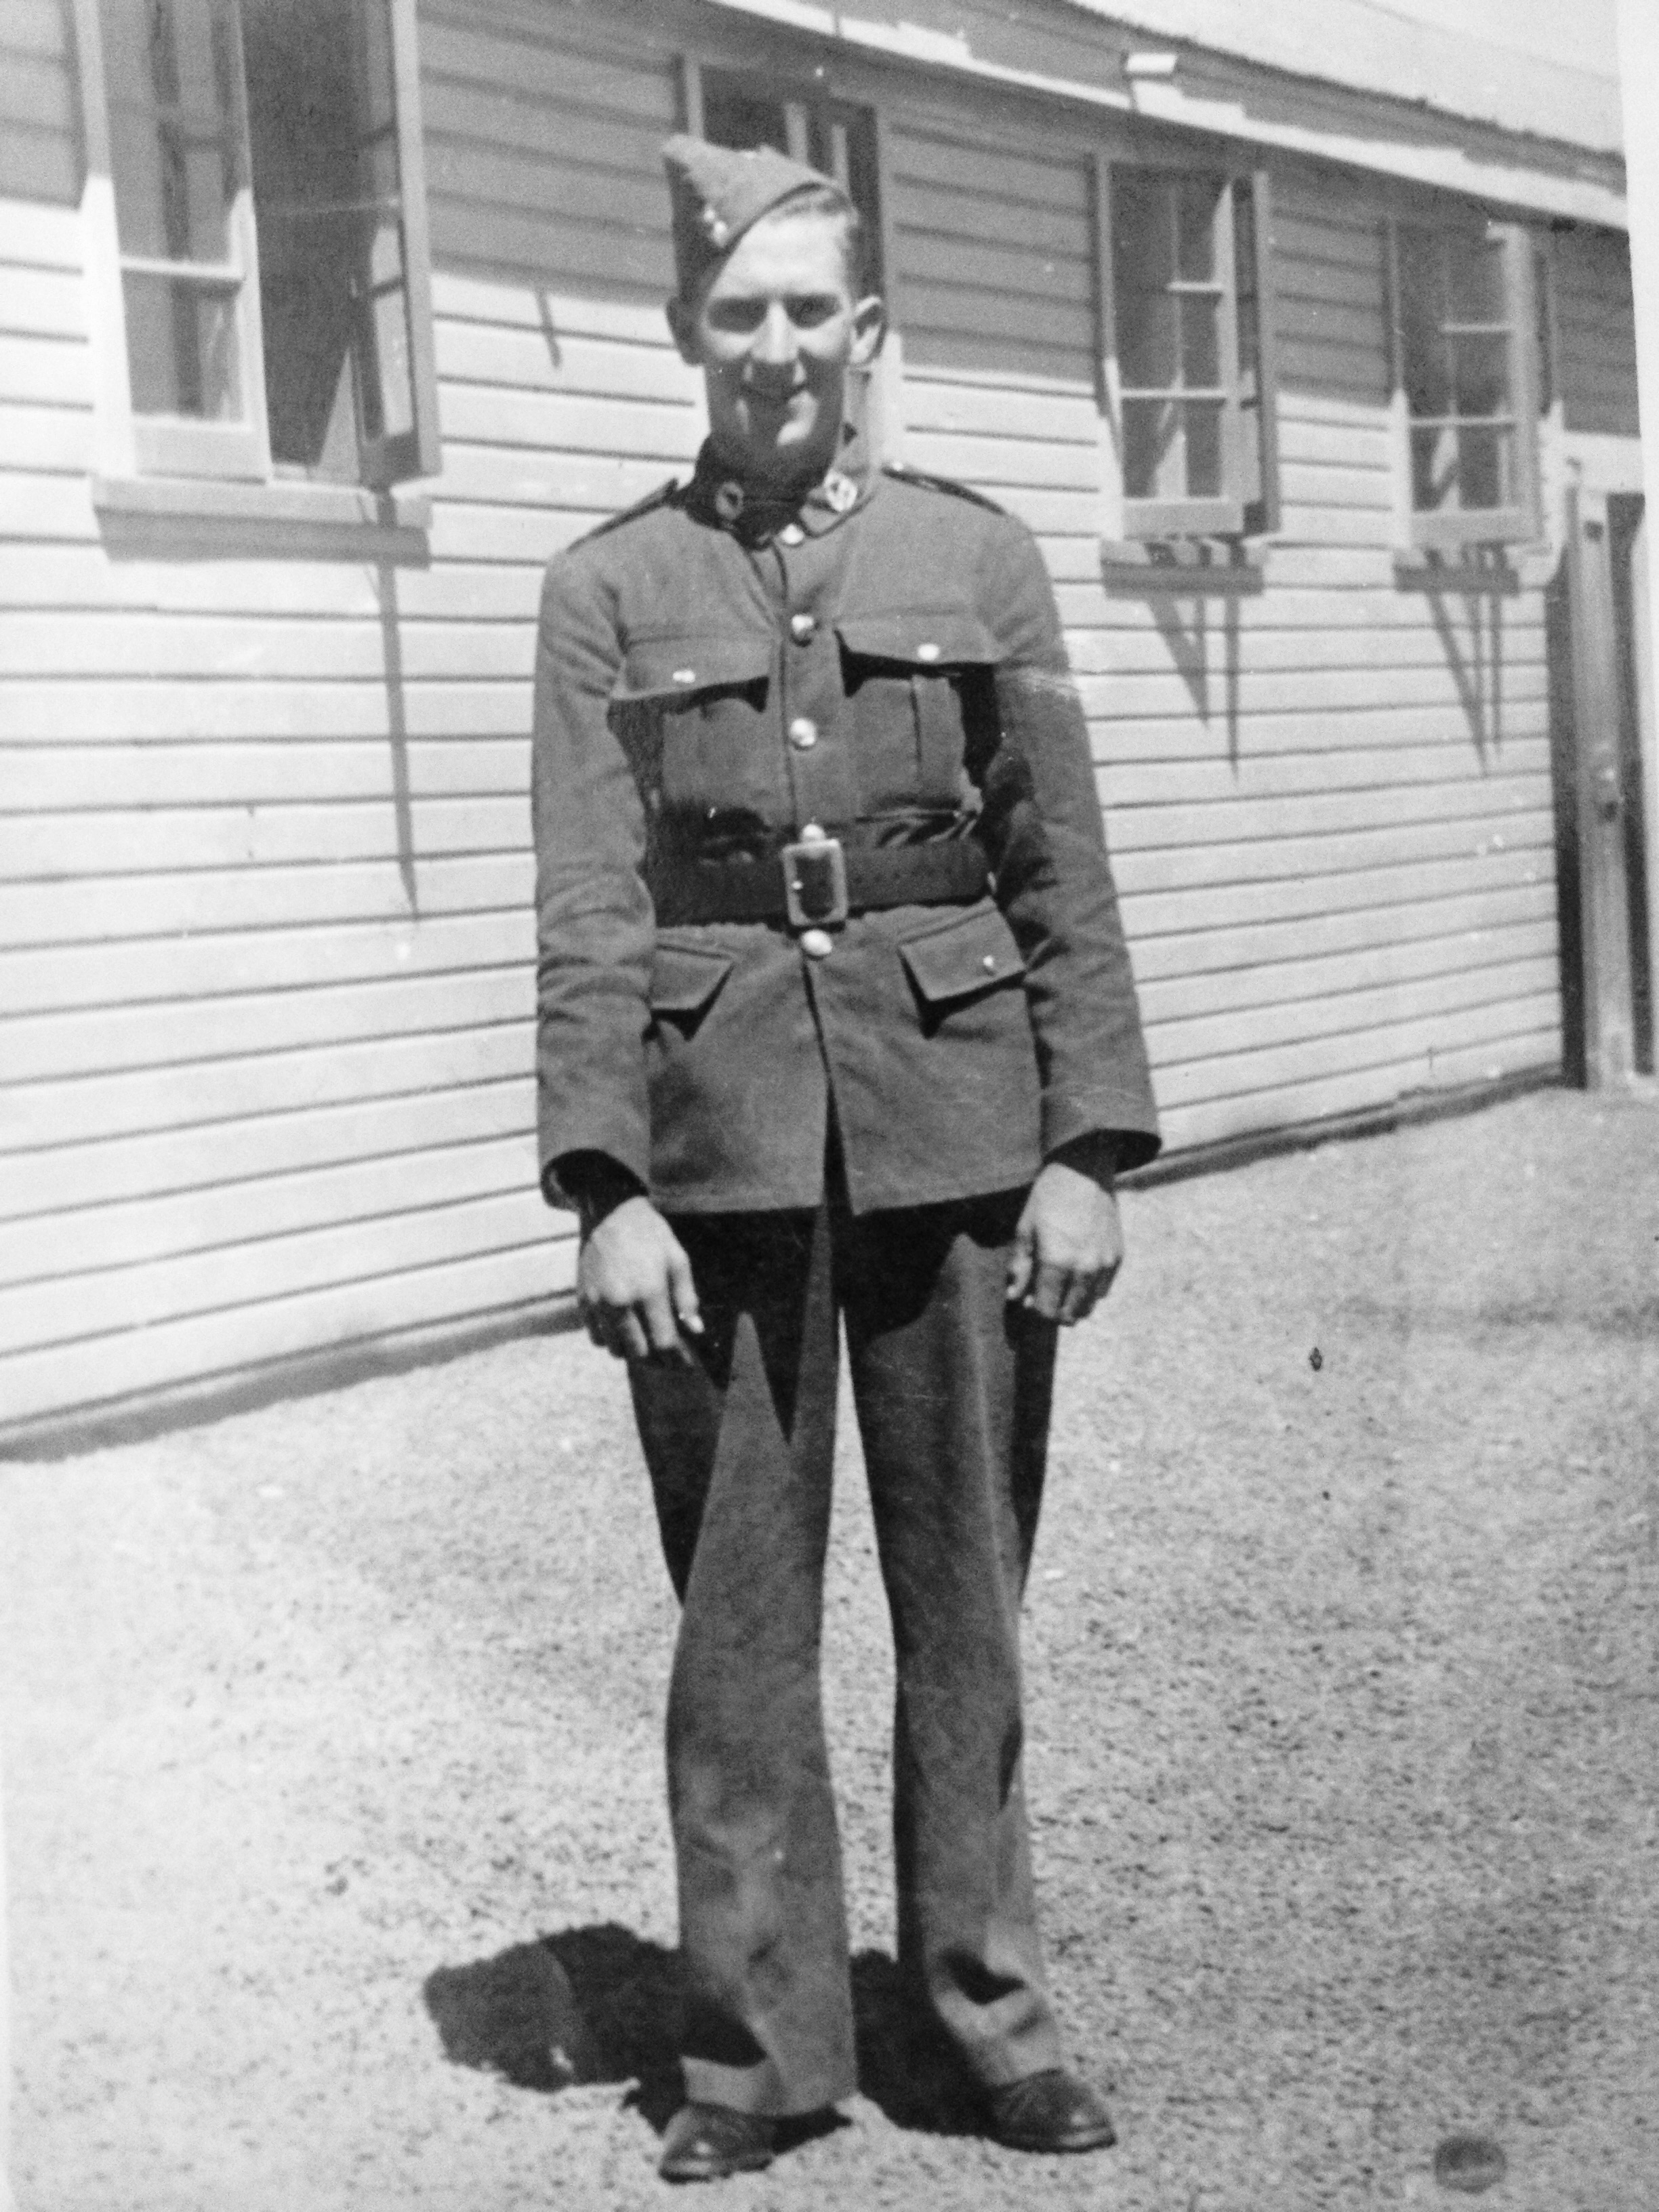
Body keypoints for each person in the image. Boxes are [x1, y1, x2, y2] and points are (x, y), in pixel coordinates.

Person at [531, 133, 1161, 2184]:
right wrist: (605, 1185)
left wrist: (1085, 1146)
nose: (778, 347)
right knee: (737, 1637)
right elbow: (589, 910)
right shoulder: (605, 589)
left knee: (966, 1603)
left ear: (868, 331)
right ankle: (756, 2059)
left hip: (958, 1136)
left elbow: (1062, 866)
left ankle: (989, 2019)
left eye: (814, 310)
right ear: (685, 336)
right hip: (715, 1162)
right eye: (740, 315)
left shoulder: (977, 562)